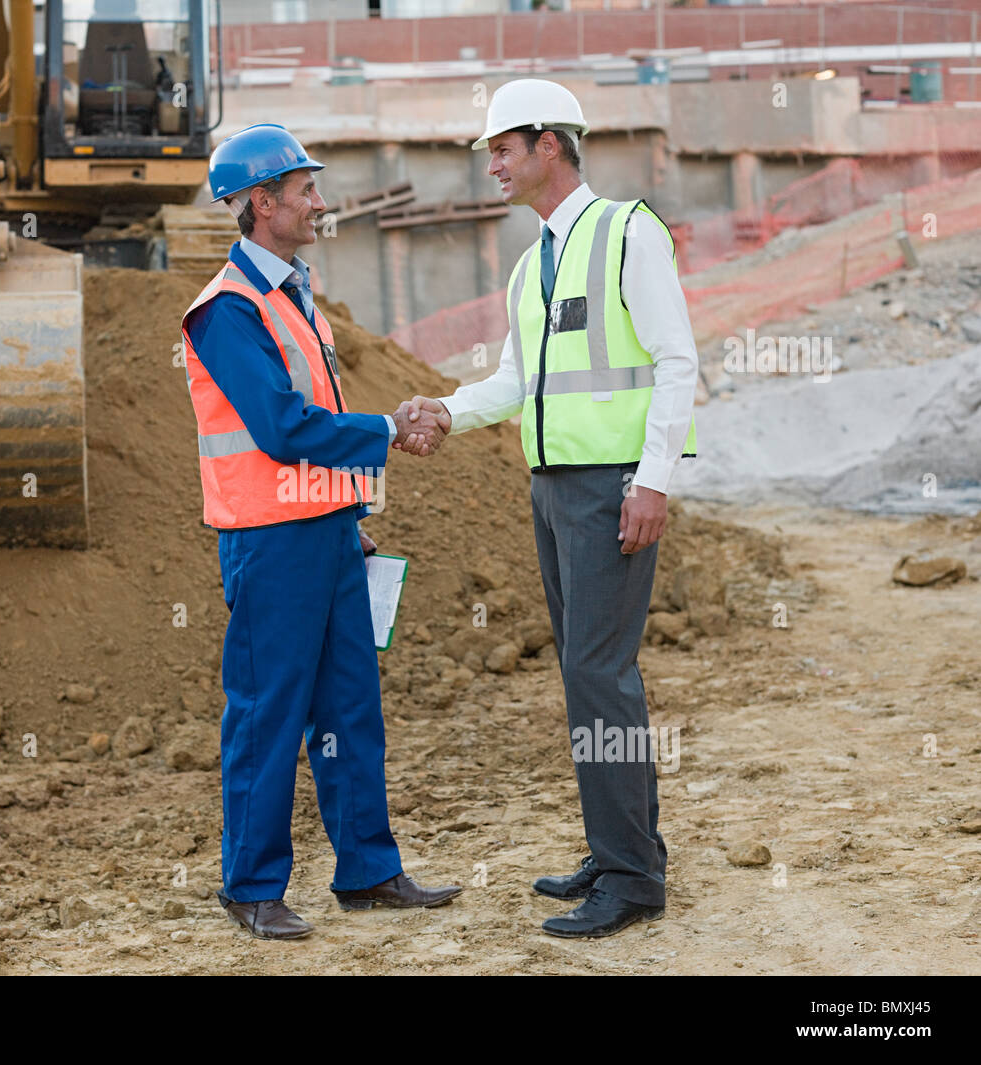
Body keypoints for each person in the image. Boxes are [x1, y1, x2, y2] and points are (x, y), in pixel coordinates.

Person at [399, 80, 698, 939]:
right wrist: (449, 411)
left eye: (502, 147)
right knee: (589, 672)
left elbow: (677, 361)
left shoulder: (627, 233)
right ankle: (623, 850)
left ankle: (634, 877)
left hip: (611, 487)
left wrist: (652, 481)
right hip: (554, 486)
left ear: (549, 146)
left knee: (600, 672)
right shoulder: (533, 264)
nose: (491, 163)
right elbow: (518, 381)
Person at [181, 123, 460, 940]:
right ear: (263, 204)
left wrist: (351, 515)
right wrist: (388, 431)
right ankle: (252, 886)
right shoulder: (227, 310)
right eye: (306, 189)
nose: (319, 201)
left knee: (348, 708)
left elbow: (313, 422)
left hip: (327, 531)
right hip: (270, 543)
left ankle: (368, 870)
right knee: (268, 713)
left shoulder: (293, 297)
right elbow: (279, 426)